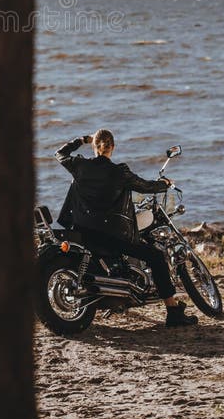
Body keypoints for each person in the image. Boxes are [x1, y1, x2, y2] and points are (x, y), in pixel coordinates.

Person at [55, 128, 197, 327]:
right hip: (112, 235)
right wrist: (164, 184)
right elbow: (145, 186)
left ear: (94, 146)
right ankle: (173, 310)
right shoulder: (120, 172)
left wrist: (81, 140)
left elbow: (60, 153)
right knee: (155, 257)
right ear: (112, 147)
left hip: (83, 231)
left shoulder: (80, 166)